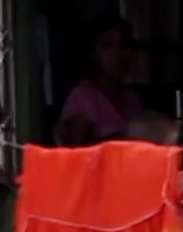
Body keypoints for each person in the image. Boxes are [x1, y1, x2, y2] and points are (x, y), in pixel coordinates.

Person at [57, 16, 144, 146]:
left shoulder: (131, 99)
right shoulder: (82, 98)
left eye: (124, 45)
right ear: (93, 55)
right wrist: (125, 135)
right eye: (107, 46)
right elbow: (78, 153)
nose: (118, 54)